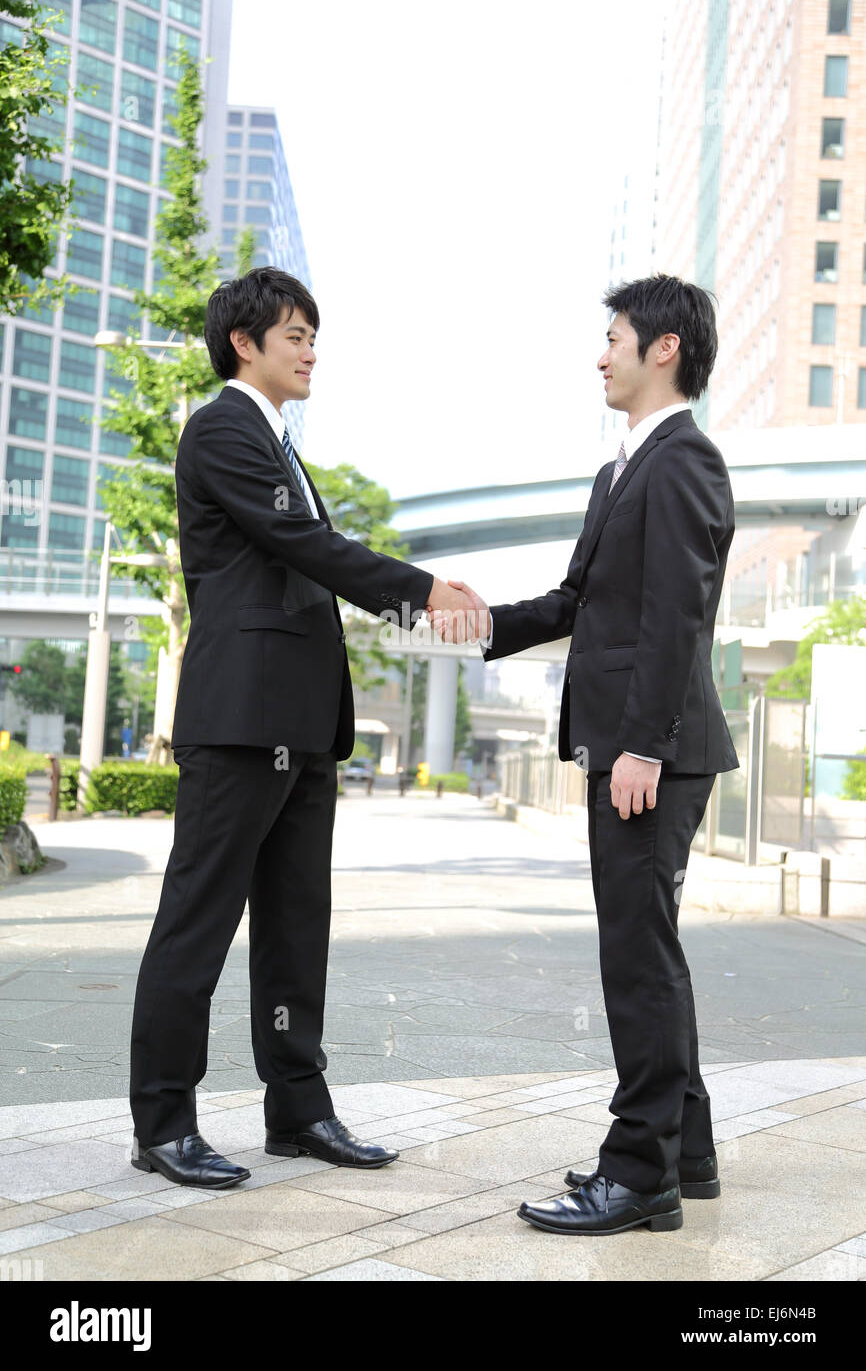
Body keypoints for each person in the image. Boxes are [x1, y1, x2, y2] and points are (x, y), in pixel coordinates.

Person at [129, 267, 482, 1188]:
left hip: (300, 726)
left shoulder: (282, 445)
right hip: (241, 721)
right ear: (245, 344)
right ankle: (163, 1123)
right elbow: (306, 548)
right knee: (196, 925)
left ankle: (299, 1109)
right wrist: (422, 591)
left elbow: (303, 559)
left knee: (296, 927)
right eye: (295, 335)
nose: (310, 351)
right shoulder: (222, 430)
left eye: (313, 336)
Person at [431, 273, 738, 1235]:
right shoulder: (619, 471)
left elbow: (676, 615)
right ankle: (684, 1151)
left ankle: (636, 1172)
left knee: (636, 963)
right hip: (630, 749)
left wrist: (643, 746)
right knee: (651, 956)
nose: (598, 353)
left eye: (613, 336)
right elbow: (577, 603)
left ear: (664, 350)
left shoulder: (684, 460)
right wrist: (478, 624)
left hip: (650, 756)